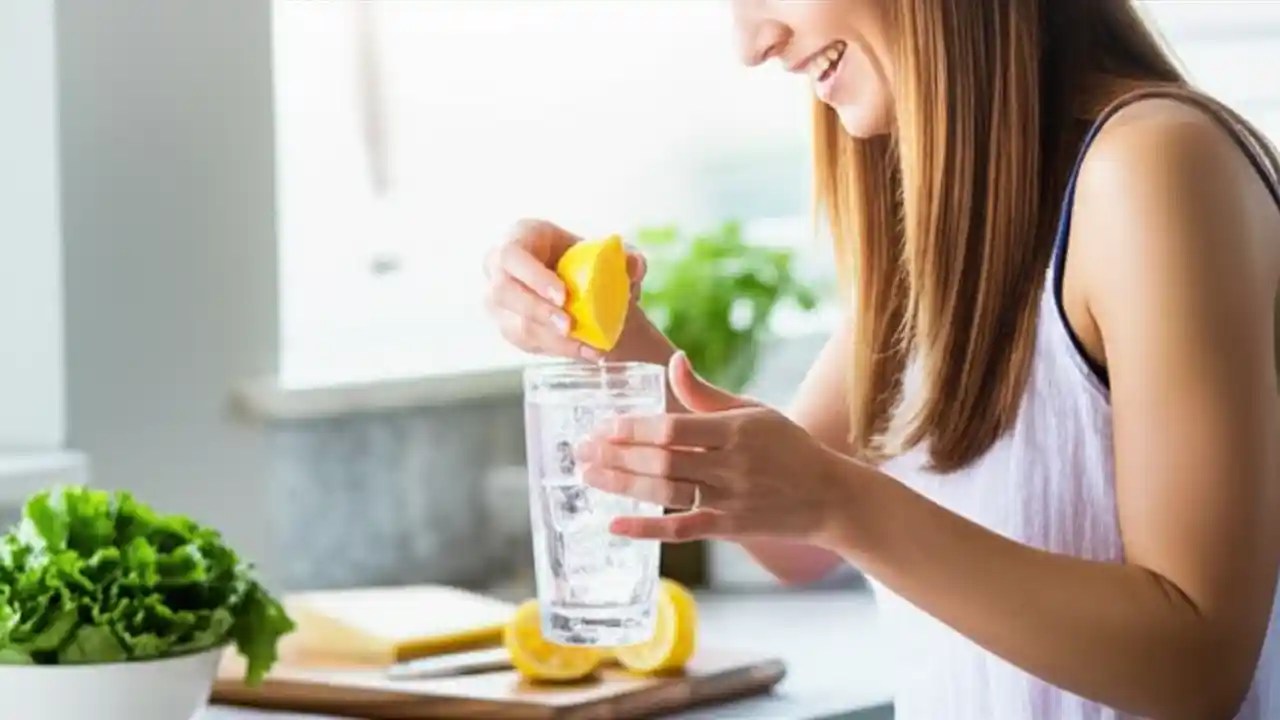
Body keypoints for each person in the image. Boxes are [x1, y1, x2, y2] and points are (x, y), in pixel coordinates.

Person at [482, 1, 1280, 717]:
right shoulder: (963, 220)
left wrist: (843, 503)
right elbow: (793, 540)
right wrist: (600, 328)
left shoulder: (1155, 165)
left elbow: (1197, 665)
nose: (753, 43)